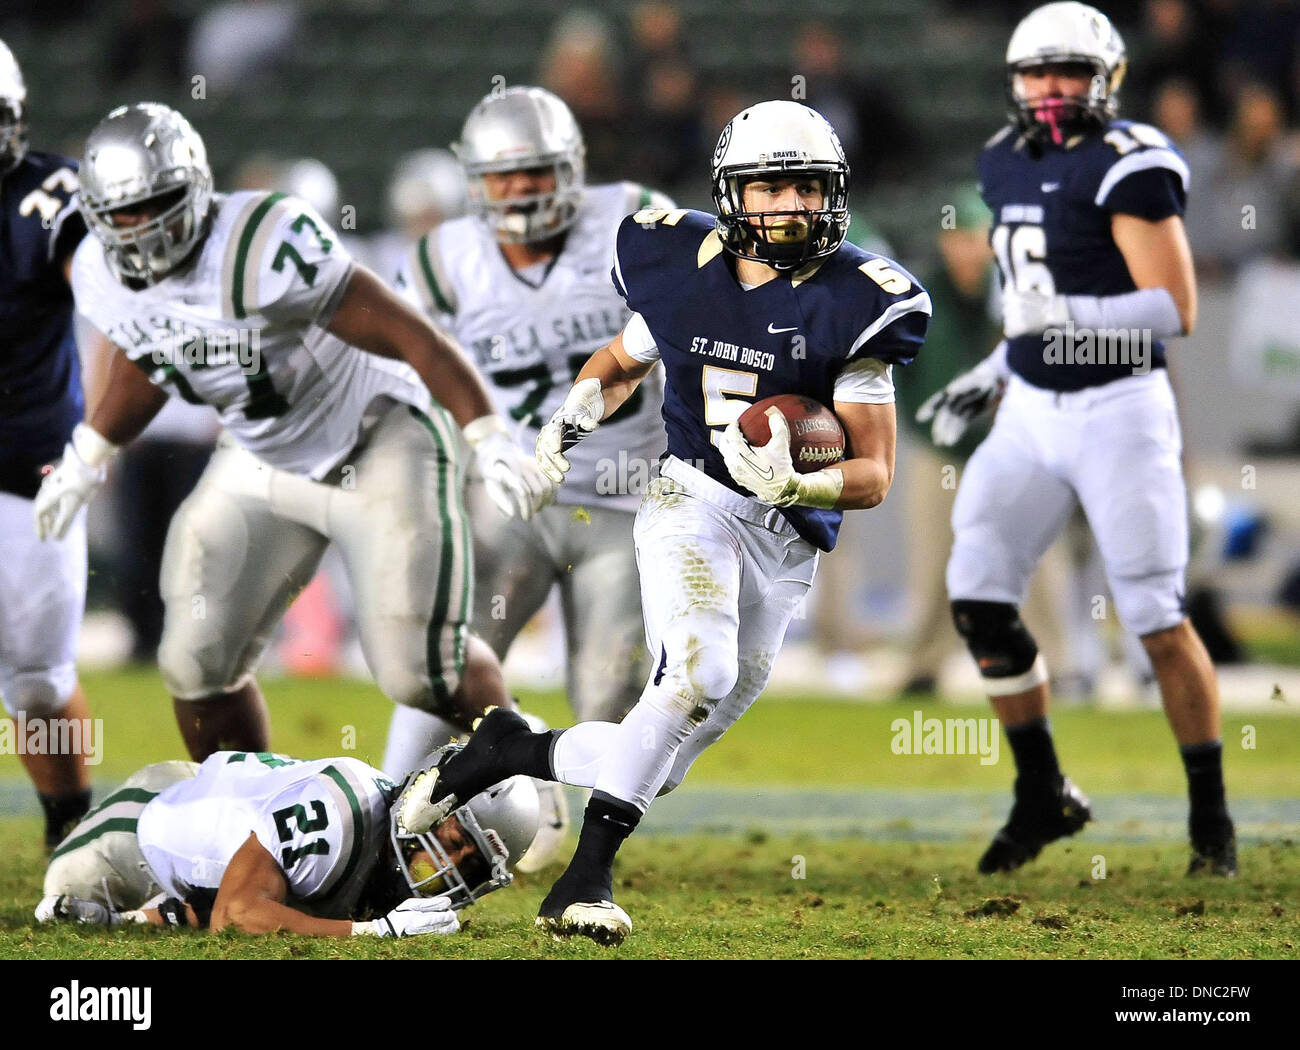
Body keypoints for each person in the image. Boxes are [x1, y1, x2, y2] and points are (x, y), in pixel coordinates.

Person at [400, 99, 930, 945]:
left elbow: (873, 474)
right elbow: (621, 359)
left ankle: (506, 749)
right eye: (772, 188)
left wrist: (803, 483)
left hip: (788, 543)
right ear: (733, 195)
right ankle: (584, 882)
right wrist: (566, 424)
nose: (792, 207)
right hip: (693, 501)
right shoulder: (678, 264)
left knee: (662, 757)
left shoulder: (859, 300)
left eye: (808, 188)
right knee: (696, 671)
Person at [33, 102, 551, 762]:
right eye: (120, 214)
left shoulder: (262, 244)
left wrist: (486, 433)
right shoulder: (102, 274)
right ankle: (251, 809)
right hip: (261, 454)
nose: (138, 228)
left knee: (421, 669)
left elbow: (409, 333)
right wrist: (87, 453)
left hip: (377, 437)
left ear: (194, 187)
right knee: (196, 662)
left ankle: (529, 761)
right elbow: (147, 347)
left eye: (156, 203)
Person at [916, 2, 1236, 877]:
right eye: (1036, 72)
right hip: (1032, 411)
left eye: (1070, 72)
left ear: (1108, 80)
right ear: (1014, 82)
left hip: (1118, 408)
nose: (1052, 89)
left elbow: (1175, 308)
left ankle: (1211, 821)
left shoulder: (1127, 163)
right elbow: (1026, 302)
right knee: (978, 593)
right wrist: (999, 367)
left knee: (1156, 619)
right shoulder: (1001, 159)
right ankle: (1043, 793)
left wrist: (1061, 316)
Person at [388, 85, 672, 870]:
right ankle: (385, 803)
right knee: (443, 656)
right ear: (474, 180)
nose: (519, 190)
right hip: (514, 492)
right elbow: (422, 376)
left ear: (574, 168)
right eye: (503, 176)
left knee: (611, 689)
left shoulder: (634, 218)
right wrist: (467, 459)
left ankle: (581, 840)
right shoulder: (443, 259)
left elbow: (695, 328)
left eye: (537, 171)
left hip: (625, 497)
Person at [37, 749, 538, 936]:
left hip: (234, 834)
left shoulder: (376, 844)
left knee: (297, 890)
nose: (447, 864)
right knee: (62, 891)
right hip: (152, 819)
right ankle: (122, 906)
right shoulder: (342, 816)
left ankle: (133, 919)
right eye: (451, 838)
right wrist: (370, 935)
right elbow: (233, 916)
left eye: (473, 864)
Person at [0, 39, 102, 849]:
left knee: (37, 681)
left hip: (25, 470)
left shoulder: (47, 191)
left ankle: (72, 824)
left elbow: (93, 274)